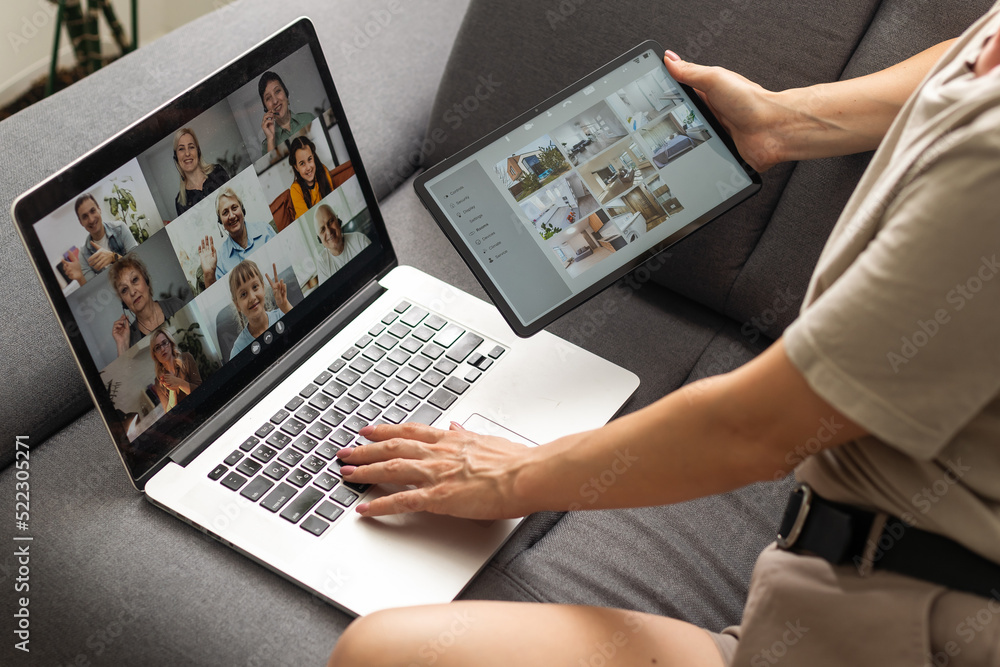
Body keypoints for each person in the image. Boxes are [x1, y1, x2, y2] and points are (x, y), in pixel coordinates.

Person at [329, 8, 1000, 667]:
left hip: (891, 628)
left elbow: (757, 428)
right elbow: (962, 59)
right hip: (828, 585)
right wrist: (780, 120)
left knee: (377, 654)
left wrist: (511, 477)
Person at [109, 254, 186, 357]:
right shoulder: (129, 338)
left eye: (135, 280)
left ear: (146, 280)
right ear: (124, 302)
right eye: (124, 290)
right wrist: (122, 345)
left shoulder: (175, 305)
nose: (132, 292)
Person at [198, 187, 276, 288]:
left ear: (242, 210)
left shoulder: (264, 230)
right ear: (221, 222)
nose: (231, 216)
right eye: (225, 212)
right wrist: (209, 274)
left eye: (234, 208)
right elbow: (220, 296)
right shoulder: (220, 259)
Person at [61, 193, 138, 286]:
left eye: (93, 211)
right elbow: (95, 290)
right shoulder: (84, 254)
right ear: (81, 222)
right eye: (85, 216)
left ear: (99, 209)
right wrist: (80, 278)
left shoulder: (120, 229)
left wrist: (114, 258)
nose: (91, 219)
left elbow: (138, 264)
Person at [227, 260, 292, 360]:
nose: (252, 297)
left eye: (255, 287)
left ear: (263, 287)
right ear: (237, 305)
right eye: (243, 294)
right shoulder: (238, 349)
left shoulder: (282, 314)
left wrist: (285, 305)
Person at [172, 127, 230, 217]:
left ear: (198, 151)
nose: (187, 153)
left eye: (191, 147)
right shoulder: (180, 202)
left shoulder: (217, 172)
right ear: (176, 157)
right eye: (181, 149)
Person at [258, 71, 315, 155]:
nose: (275, 101)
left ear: (286, 93)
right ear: (265, 107)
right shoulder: (267, 145)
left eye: (277, 91)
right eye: (268, 98)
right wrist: (271, 139)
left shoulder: (308, 118)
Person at [149, 326, 202, 412]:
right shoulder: (158, 381)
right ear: (155, 355)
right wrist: (172, 391)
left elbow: (201, 392)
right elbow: (169, 413)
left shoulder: (186, 358)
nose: (162, 349)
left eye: (164, 343)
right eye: (157, 347)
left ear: (171, 343)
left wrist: (179, 383)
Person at [313, 204, 370, 283]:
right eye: (322, 229)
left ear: (338, 221)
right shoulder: (322, 263)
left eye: (330, 222)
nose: (329, 231)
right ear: (319, 238)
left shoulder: (359, 240)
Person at [288, 135, 334, 220]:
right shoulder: (295, 189)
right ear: (296, 167)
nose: (308, 167)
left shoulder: (323, 171)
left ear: (313, 156)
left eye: (309, 159)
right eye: (302, 163)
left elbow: (333, 202)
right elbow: (308, 220)